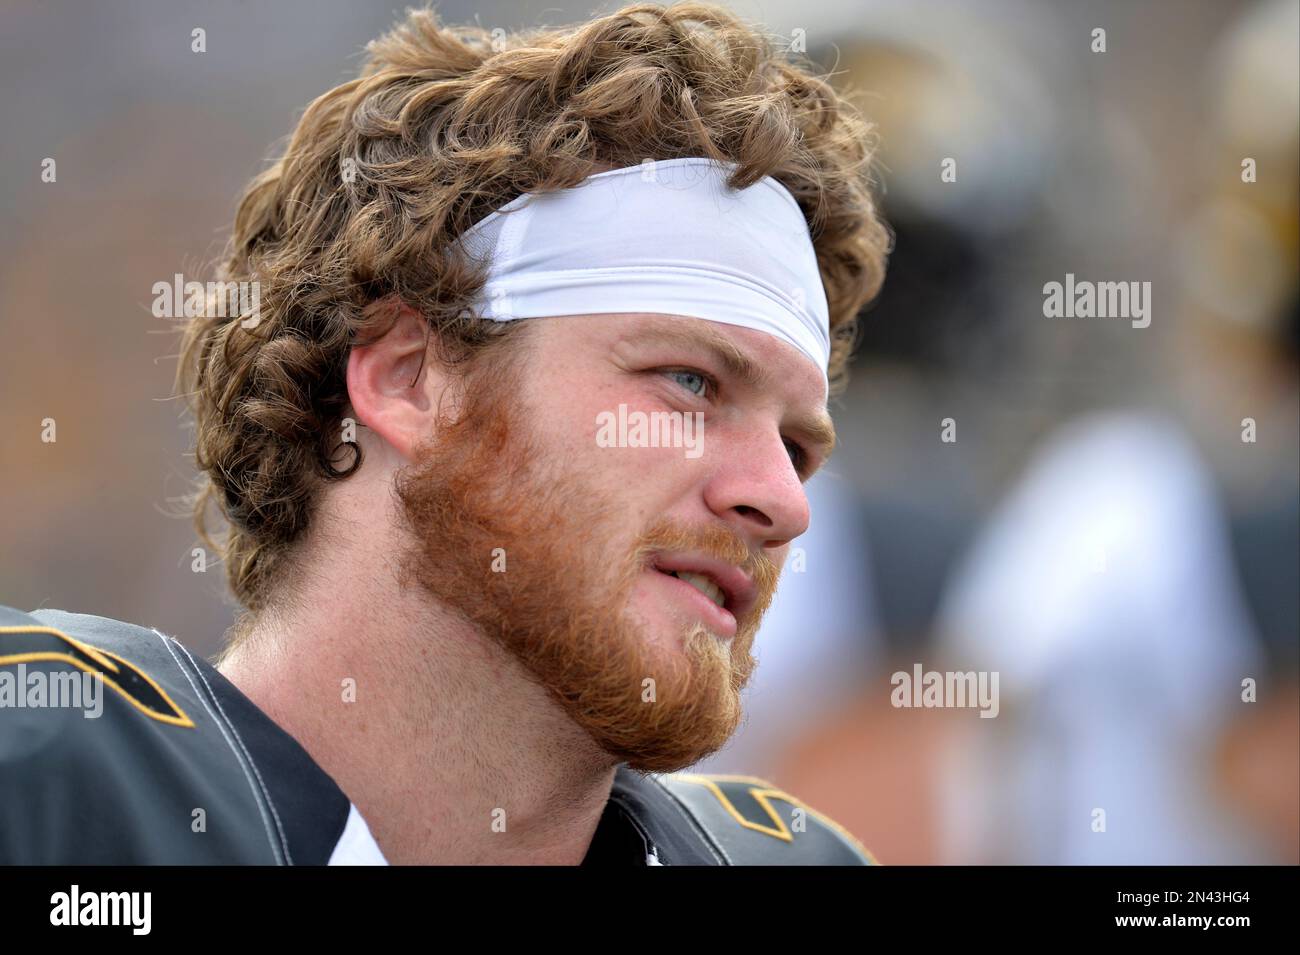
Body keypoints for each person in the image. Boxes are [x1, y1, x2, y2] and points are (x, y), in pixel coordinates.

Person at [0, 2, 889, 865]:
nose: (782, 501)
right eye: (691, 382)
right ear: (407, 380)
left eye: (799, 448)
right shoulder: (50, 788)